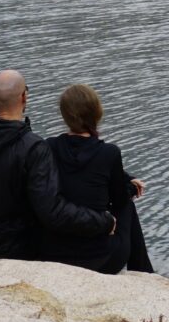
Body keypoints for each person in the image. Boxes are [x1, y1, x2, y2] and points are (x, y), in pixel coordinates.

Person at [0, 69, 114, 260]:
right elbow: (52, 212)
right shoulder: (33, 148)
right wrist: (104, 222)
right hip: (10, 252)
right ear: (24, 97)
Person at [42, 82, 154, 274]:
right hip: (101, 258)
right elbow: (118, 199)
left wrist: (125, 179)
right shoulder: (109, 153)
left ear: (65, 116)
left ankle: (144, 272)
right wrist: (131, 188)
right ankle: (143, 273)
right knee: (126, 205)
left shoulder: (48, 147)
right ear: (97, 113)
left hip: (56, 252)